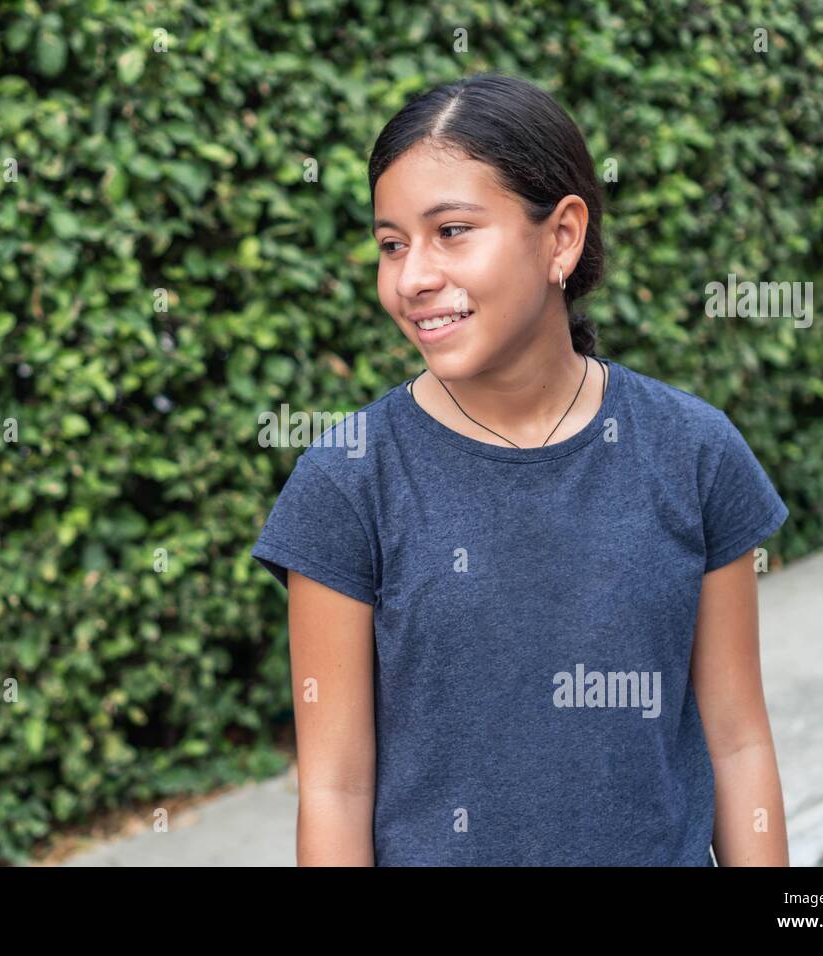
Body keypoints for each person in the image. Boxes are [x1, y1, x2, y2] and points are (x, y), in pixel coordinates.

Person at [250, 72, 791, 866]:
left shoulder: (694, 452)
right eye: (391, 244)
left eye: (453, 231)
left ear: (562, 237)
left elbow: (738, 743)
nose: (412, 277)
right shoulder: (348, 481)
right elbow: (334, 787)